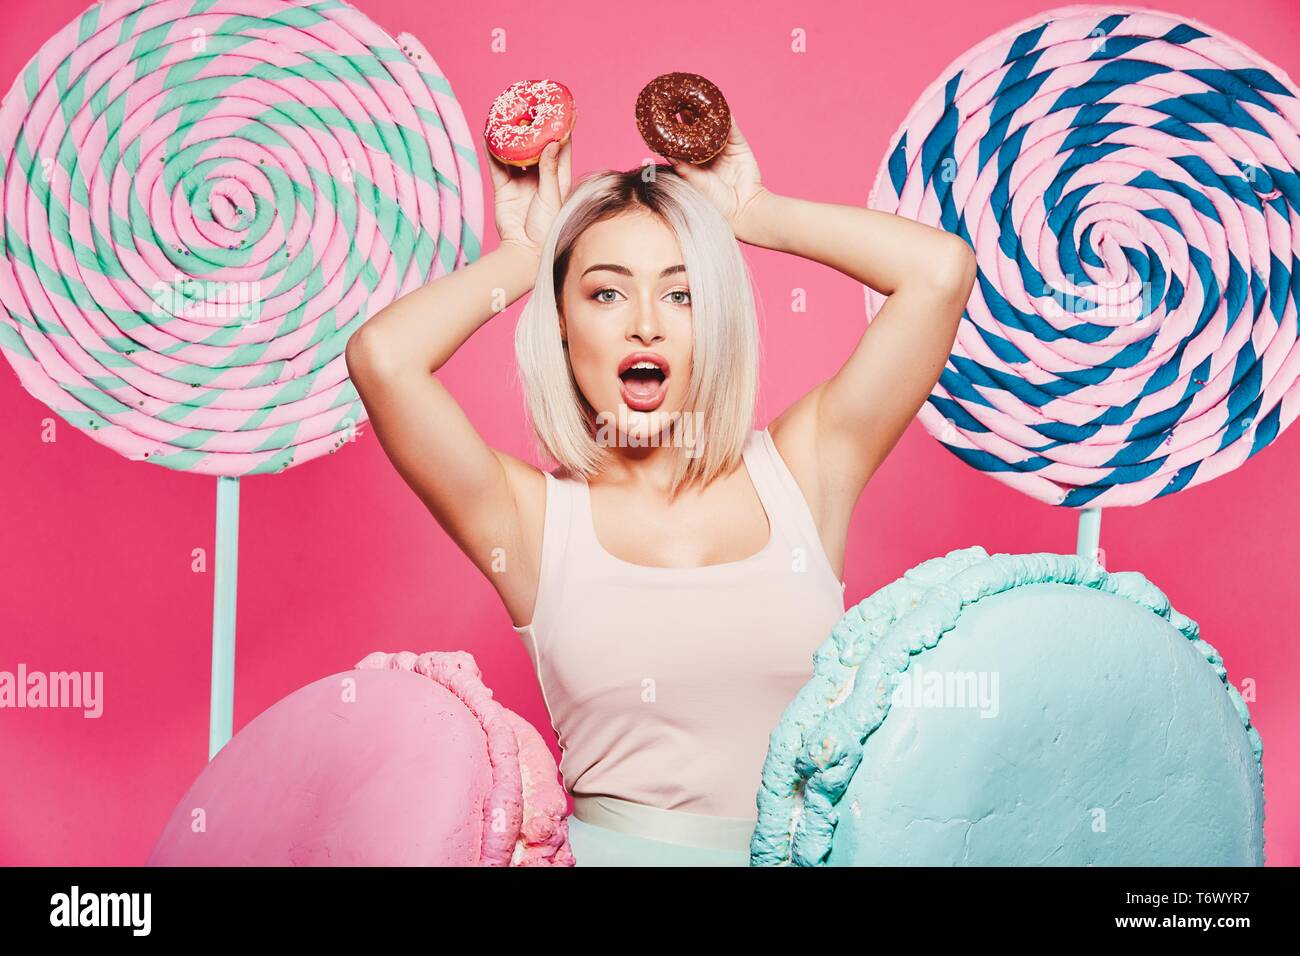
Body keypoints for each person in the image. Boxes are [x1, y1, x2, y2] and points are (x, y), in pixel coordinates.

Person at [345, 117, 975, 865]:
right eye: (606, 295)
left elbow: (939, 272)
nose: (645, 325)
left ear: (714, 321)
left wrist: (753, 212)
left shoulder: (805, 470)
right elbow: (383, 359)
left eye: (680, 295)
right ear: (561, 323)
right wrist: (526, 255)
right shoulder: (530, 521)